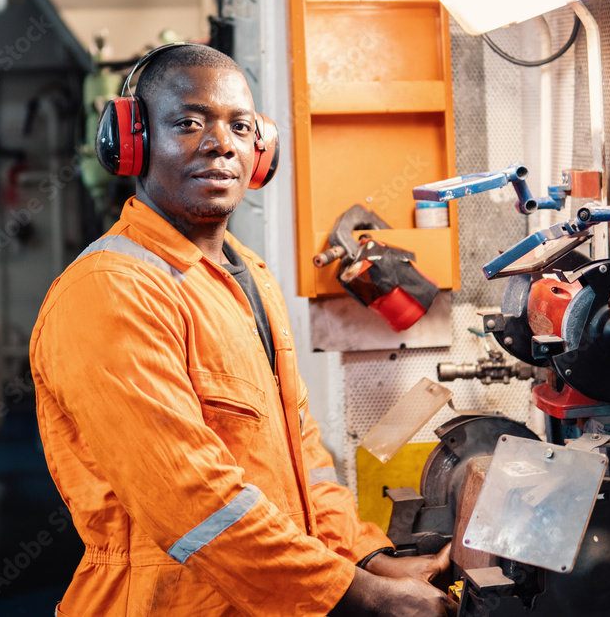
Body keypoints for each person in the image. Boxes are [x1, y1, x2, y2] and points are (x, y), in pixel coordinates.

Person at [30, 43, 456, 616]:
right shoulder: (110, 290)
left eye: (240, 125)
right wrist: (363, 598)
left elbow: (302, 457)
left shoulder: (246, 275)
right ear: (133, 141)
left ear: (262, 149)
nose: (220, 143)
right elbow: (190, 498)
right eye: (187, 123)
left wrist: (366, 562)